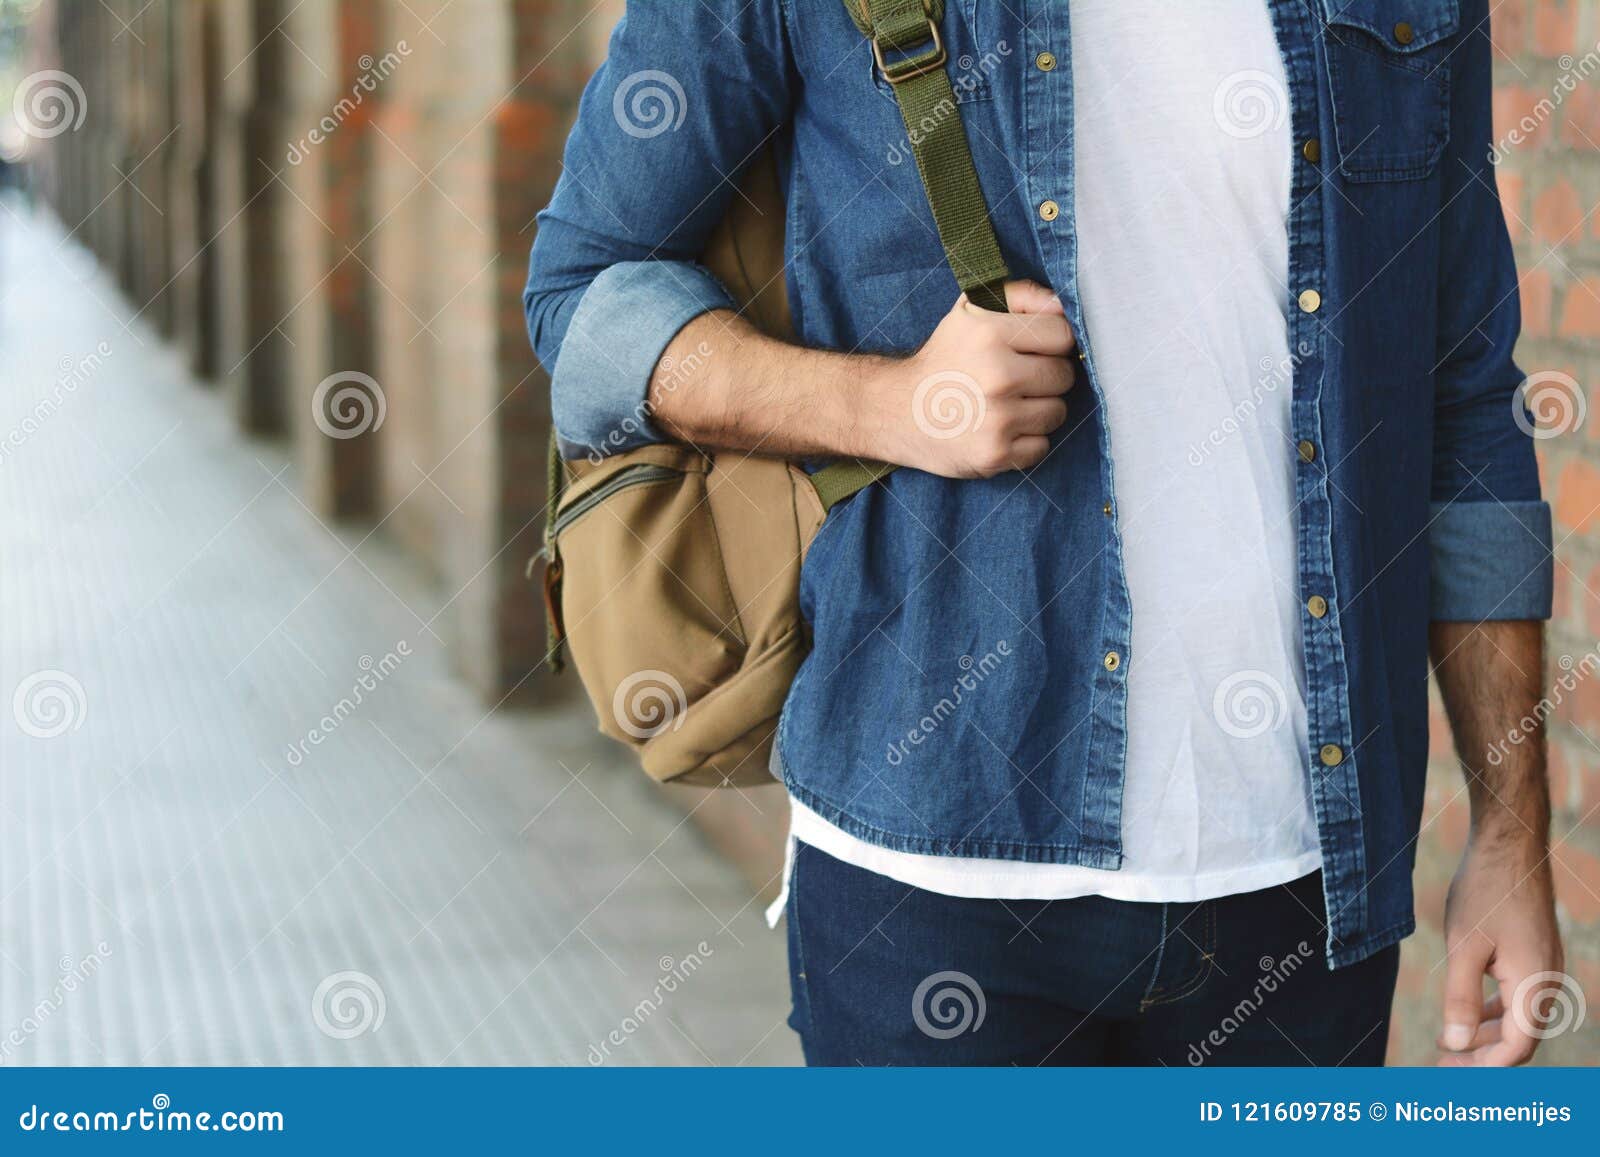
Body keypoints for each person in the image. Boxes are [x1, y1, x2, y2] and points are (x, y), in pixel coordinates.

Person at [525, 0, 1562, 1066]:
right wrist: (890, 405)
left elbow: (1463, 396)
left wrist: (1507, 835)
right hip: (932, 886)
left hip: (1301, 887)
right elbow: (582, 296)